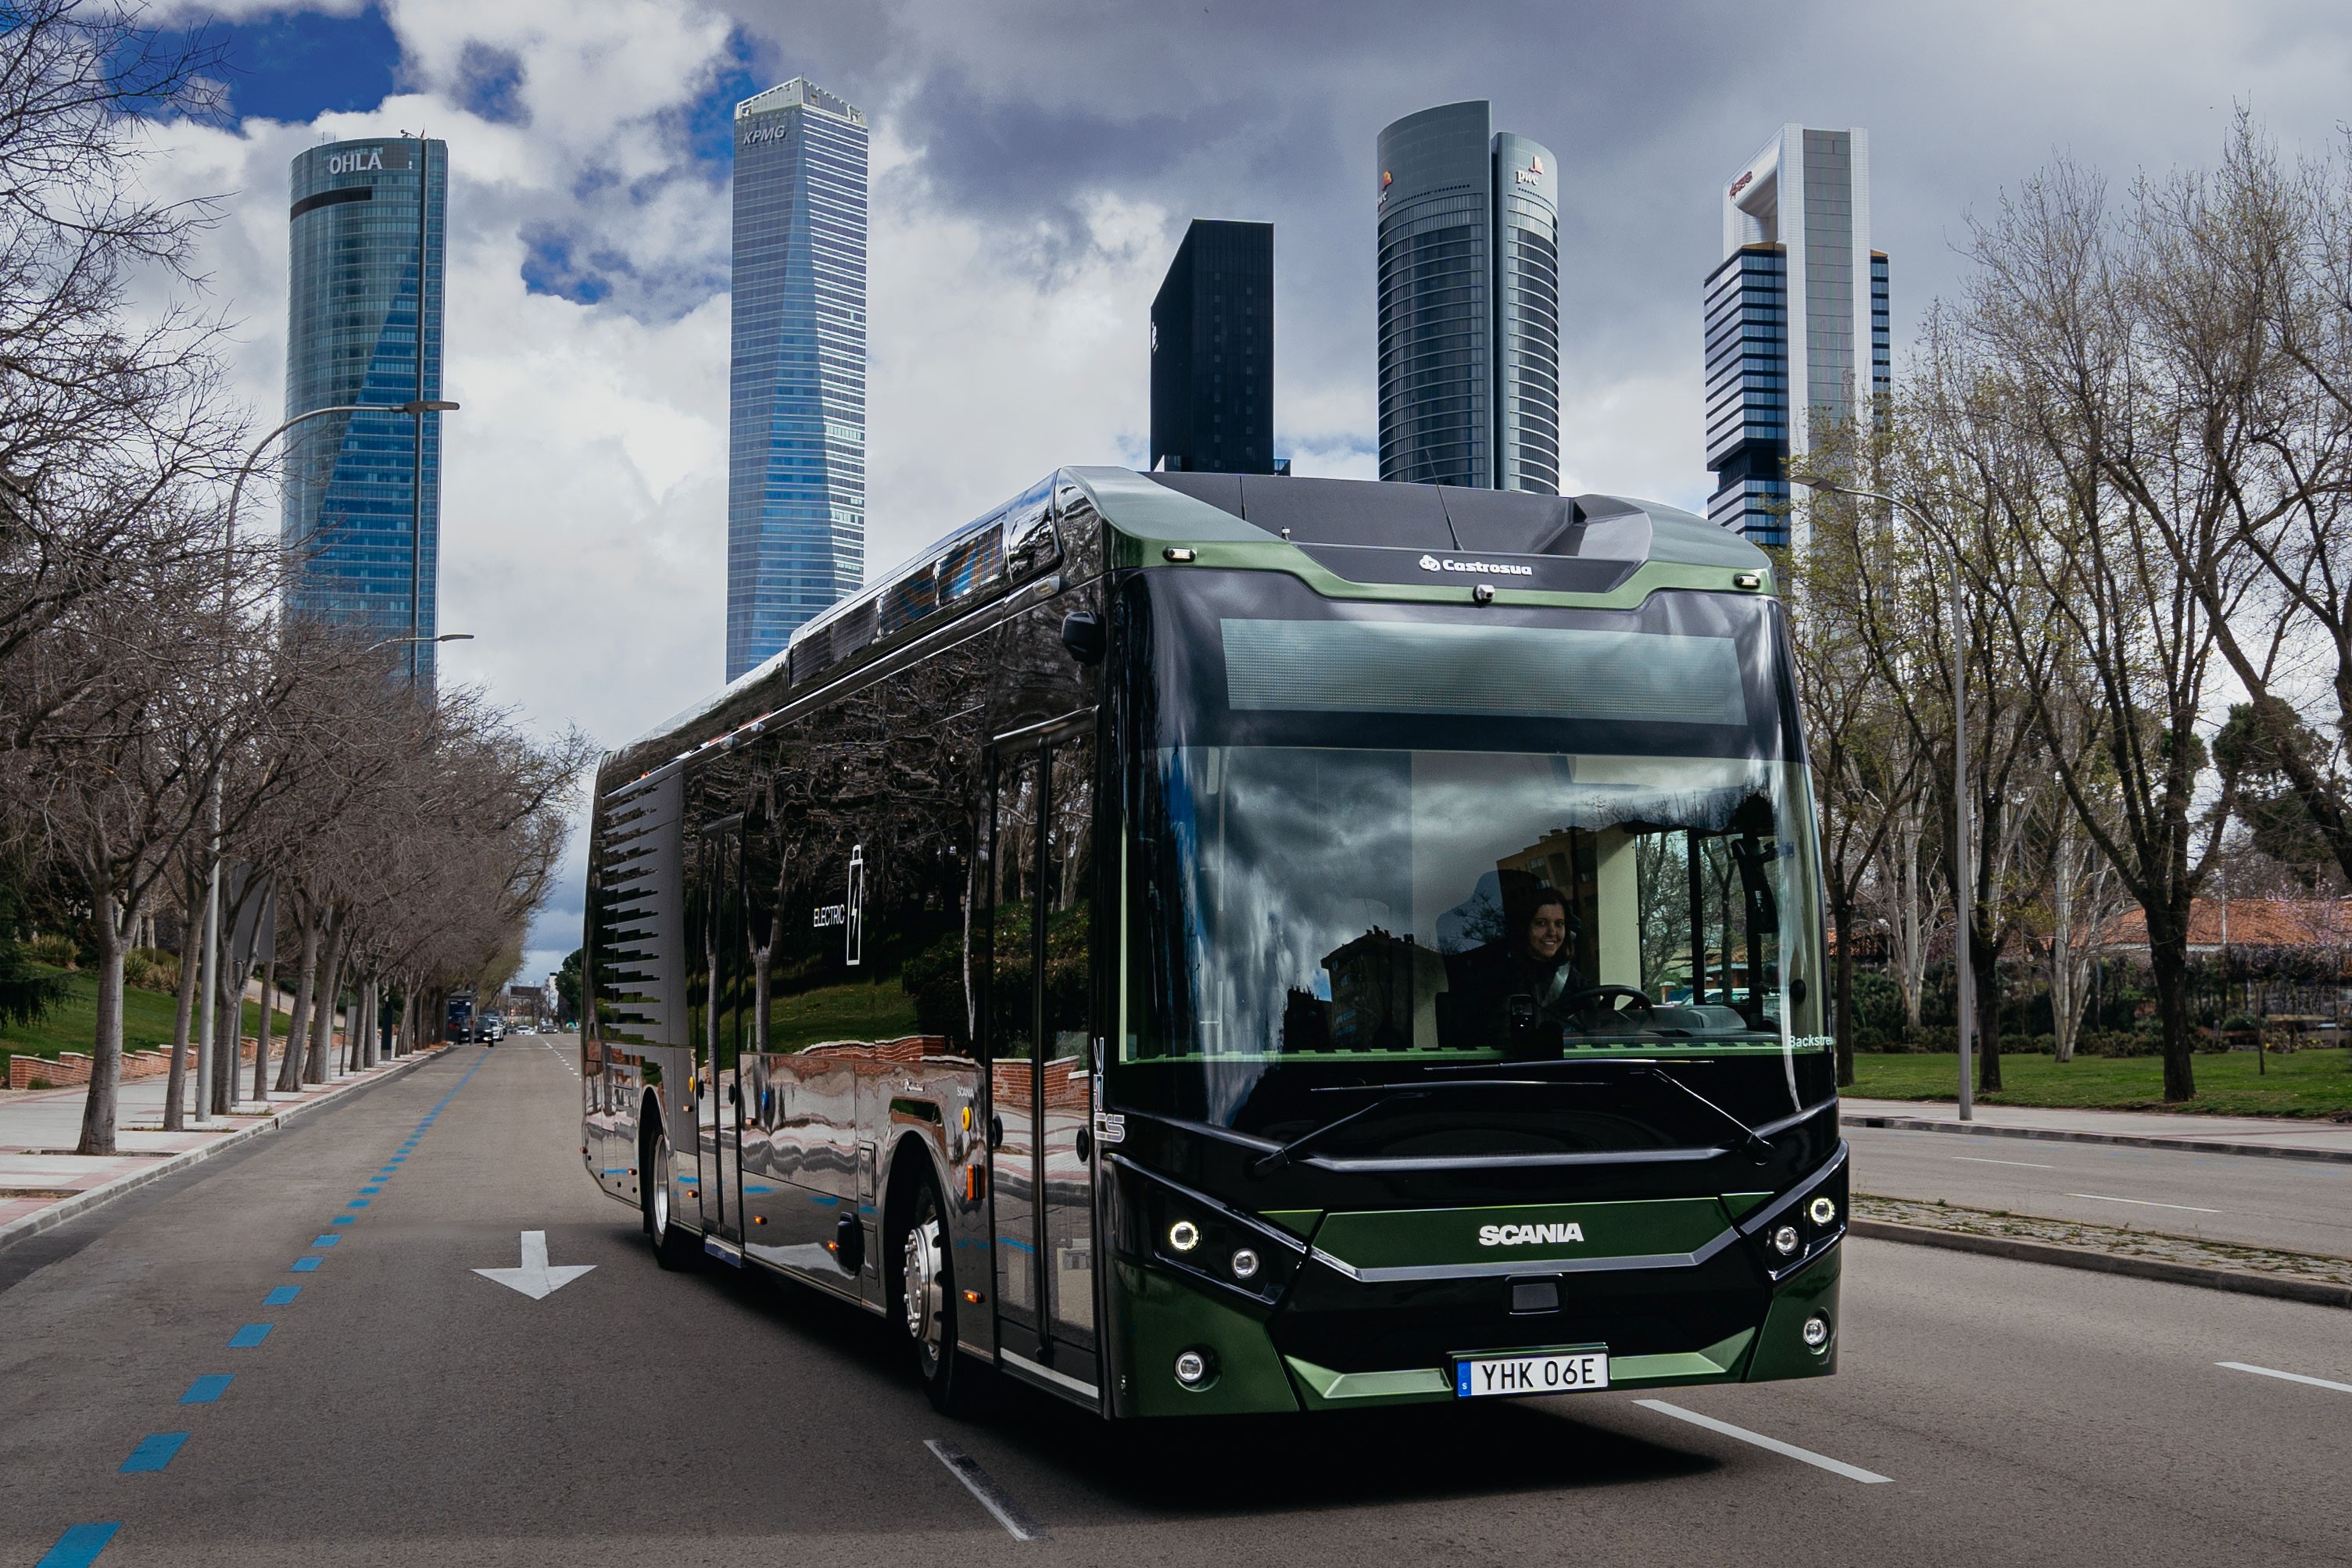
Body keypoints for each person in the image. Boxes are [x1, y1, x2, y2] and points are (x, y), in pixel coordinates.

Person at [1448, 879, 1581, 1053]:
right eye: (1541, 923)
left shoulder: (1572, 978)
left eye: (1559, 924)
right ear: (1525, 927)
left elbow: (1596, 1026)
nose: (1552, 932)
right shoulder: (1498, 976)